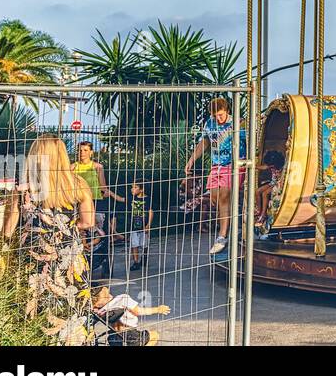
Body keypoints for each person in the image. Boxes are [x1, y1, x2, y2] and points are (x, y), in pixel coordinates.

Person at [3, 134, 97, 345]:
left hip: (34, 262)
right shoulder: (78, 184)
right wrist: (64, 231)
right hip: (70, 260)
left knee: (35, 312)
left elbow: (8, 230)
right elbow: (88, 222)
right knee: (73, 308)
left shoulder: (23, 187)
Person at [183, 97, 246, 256]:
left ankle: (222, 235)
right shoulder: (209, 124)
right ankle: (228, 226)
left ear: (227, 111)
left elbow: (250, 142)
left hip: (233, 164)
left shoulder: (238, 123)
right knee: (214, 198)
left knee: (224, 196)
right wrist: (191, 159)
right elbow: (204, 143)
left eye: (221, 115)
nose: (218, 118)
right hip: (216, 165)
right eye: (215, 115)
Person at [72, 141, 123, 278]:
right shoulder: (72, 167)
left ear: (91, 152)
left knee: (99, 233)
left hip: (96, 202)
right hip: (77, 203)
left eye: (85, 150)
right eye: (80, 150)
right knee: (81, 233)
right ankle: (81, 264)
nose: (82, 153)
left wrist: (109, 194)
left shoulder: (97, 167)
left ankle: (103, 262)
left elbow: (103, 186)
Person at [91, 286, 170, 346]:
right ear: (106, 290)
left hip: (114, 338)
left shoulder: (99, 311)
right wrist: (157, 309)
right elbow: (138, 311)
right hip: (131, 335)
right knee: (155, 335)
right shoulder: (122, 299)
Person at [125, 181, 152, 272]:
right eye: (132, 187)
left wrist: (148, 225)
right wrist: (110, 193)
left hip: (144, 225)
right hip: (133, 226)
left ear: (142, 189)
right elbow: (121, 199)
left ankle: (144, 258)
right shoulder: (131, 198)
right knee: (134, 244)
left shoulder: (148, 199)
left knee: (144, 244)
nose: (132, 189)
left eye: (135, 187)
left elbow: (151, 212)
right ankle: (136, 262)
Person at [255, 150, 285, 226]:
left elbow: (281, 179)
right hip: (272, 182)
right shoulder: (271, 165)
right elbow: (264, 167)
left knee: (265, 193)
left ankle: (263, 214)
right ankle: (258, 210)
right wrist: (253, 166)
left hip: (277, 184)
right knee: (258, 191)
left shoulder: (281, 168)